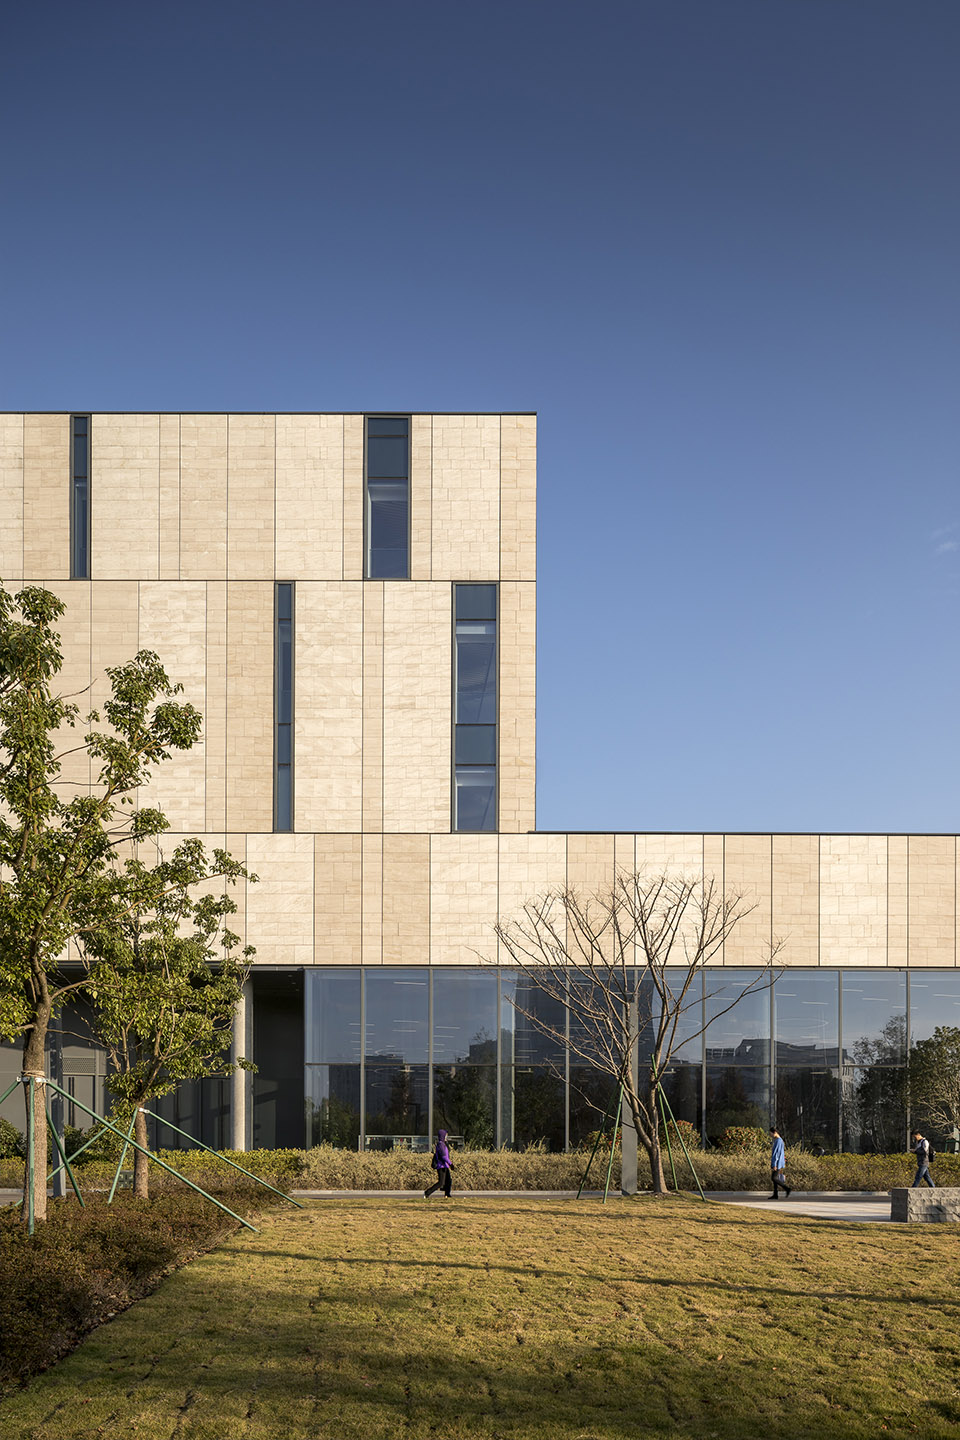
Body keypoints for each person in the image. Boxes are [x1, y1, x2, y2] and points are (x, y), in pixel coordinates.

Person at [424, 1128, 453, 1199]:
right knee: (441, 1183)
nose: (446, 1137)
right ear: (442, 1136)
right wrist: (451, 1164)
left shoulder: (444, 1144)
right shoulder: (441, 1145)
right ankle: (427, 1193)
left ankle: (447, 1195)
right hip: (441, 1166)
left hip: (445, 1166)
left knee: (448, 1181)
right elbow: (444, 1156)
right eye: (446, 1135)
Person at [767, 1126, 792, 1200]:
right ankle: (775, 1194)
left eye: (770, 1133)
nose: (770, 1135)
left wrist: (774, 1164)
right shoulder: (780, 1140)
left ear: (774, 1132)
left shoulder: (778, 1141)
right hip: (780, 1162)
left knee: (774, 1178)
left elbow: (776, 1154)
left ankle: (787, 1189)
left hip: (777, 1163)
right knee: (775, 1178)